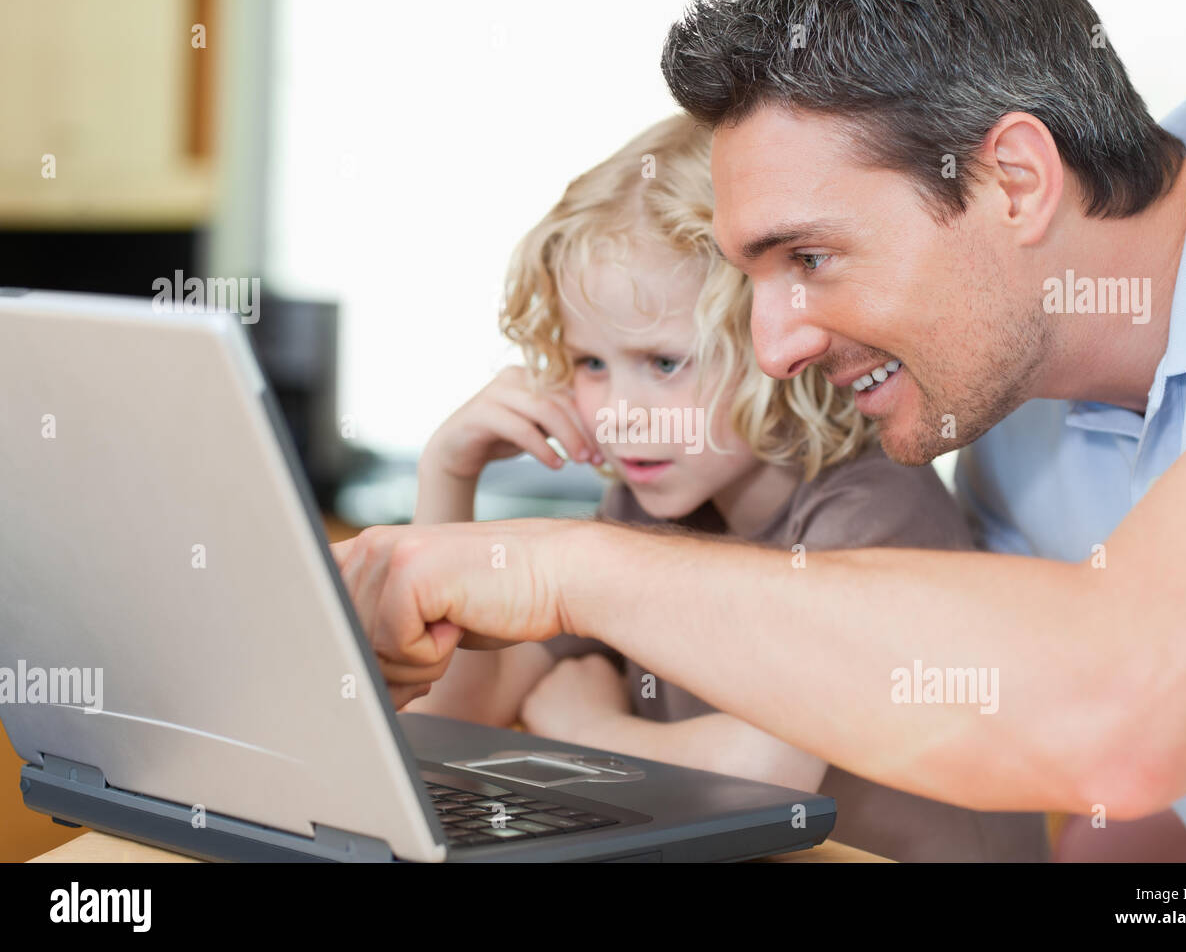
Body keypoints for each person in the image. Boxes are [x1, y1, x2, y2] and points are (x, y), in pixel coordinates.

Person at [332, 0, 1186, 862]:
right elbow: (1089, 736)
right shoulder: (1016, 408)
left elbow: (1126, 704)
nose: (772, 347)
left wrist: (562, 570)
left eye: (809, 256)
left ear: (1014, 179)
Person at [403, 113, 1046, 861]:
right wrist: (448, 474)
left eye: (665, 363)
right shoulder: (649, 501)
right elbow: (447, 717)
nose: (619, 414)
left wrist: (585, 728)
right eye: (591, 364)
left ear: (771, 337)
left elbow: (766, 774)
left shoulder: (873, 509)